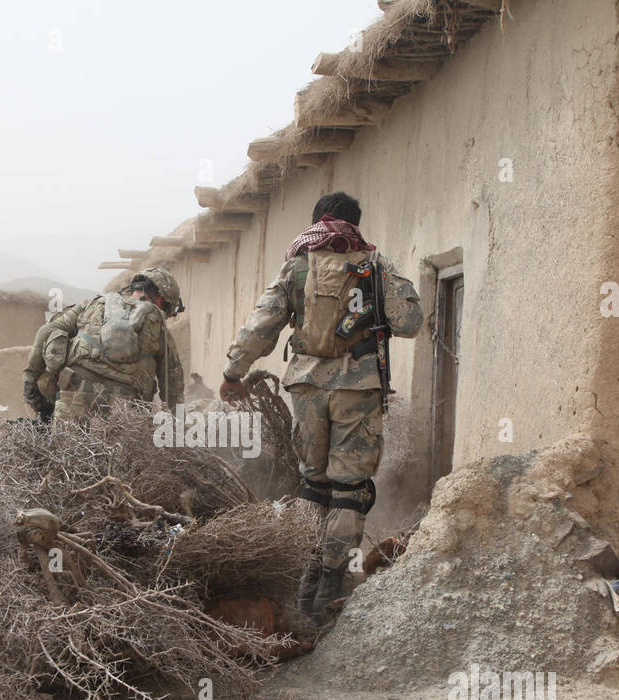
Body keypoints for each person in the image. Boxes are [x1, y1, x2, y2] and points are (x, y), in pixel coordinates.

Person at [218, 191, 423, 620]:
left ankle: (306, 577)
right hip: (358, 389)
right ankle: (331, 582)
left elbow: (261, 325)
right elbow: (409, 322)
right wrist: (380, 277)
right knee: (349, 487)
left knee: (313, 483)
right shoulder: (372, 265)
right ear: (356, 224)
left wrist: (233, 373)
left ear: (317, 222)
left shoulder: (295, 265)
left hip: (307, 388)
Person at [24, 267, 185, 423]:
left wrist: (30, 381)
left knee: (65, 449)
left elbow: (48, 329)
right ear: (161, 298)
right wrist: (177, 427)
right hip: (127, 412)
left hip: (74, 399)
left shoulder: (94, 304)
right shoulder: (158, 324)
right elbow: (172, 380)